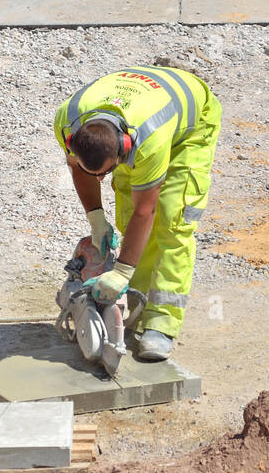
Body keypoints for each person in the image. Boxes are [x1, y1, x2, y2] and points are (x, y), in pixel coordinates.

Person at [54, 65, 221, 360]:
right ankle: (136, 303)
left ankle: (162, 322)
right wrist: (96, 220)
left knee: (171, 219)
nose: (103, 179)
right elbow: (79, 170)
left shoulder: (150, 139)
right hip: (136, 106)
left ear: (124, 149)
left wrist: (121, 271)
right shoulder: (68, 119)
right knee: (127, 215)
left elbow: (148, 209)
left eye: (108, 171)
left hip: (190, 125)